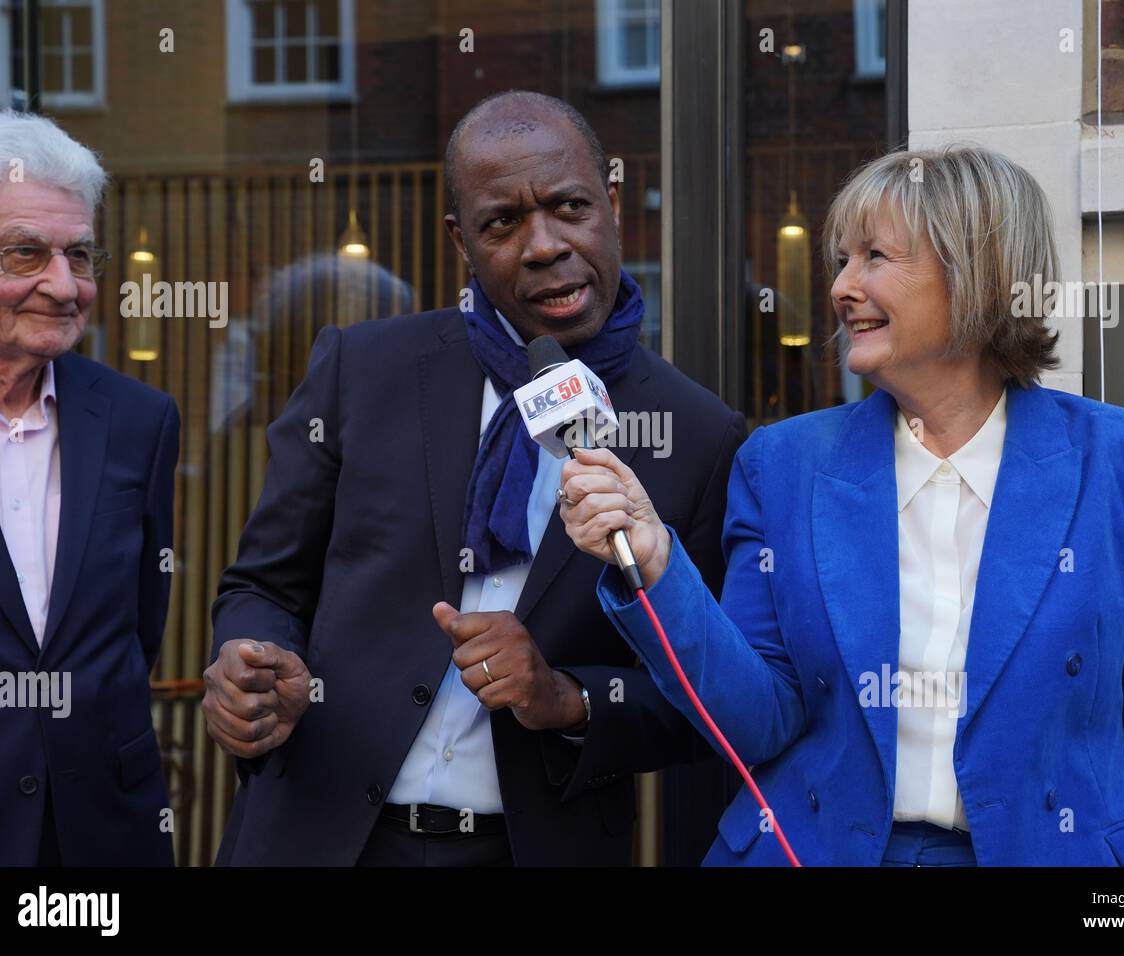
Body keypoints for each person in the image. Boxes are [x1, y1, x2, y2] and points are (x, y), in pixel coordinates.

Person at [561, 145, 1124, 866]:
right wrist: (658, 561)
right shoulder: (782, 464)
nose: (841, 288)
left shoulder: (1122, 461)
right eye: (841, 262)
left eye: (875, 257)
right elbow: (755, 722)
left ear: (976, 273)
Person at [204, 91, 746, 866]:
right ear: (462, 240)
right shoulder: (362, 372)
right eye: (504, 223)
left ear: (613, 203)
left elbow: (701, 700)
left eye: (569, 207)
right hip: (322, 838)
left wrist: (565, 698)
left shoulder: (696, 434)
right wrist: (252, 662)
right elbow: (262, 584)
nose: (544, 245)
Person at [0, 111, 179, 866]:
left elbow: (137, 630)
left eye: (80, 256)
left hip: (102, 833)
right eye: (26, 253)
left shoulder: (140, 419)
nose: (63, 286)